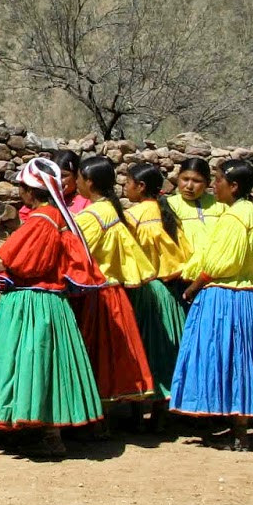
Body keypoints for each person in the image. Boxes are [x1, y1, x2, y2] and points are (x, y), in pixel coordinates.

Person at [0, 158, 105, 458]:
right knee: (48, 365)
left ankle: (41, 431)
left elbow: (15, 260)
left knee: (26, 363)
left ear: (29, 192)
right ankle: (46, 431)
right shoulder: (59, 218)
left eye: (21, 188)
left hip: (31, 303)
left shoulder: (40, 222)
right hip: (52, 303)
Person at [170, 159, 253, 450]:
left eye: (218, 179)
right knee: (242, 361)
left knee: (221, 358)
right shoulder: (249, 214)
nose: (215, 185)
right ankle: (236, 427)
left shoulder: (235, 217)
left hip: (223, 299)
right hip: (246, 299)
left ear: (234, 185)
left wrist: (193, 286)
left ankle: (234, 429)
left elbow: (221, 262)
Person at [70, 157, 157, 413]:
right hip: (113, 291)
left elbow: (76, 252)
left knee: (97, 355)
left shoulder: (92, 216)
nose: (75, 183)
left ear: (89, 182)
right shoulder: (111, 211)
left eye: (78, 178)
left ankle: (96, 420)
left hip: (97, 295)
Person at [122, 163, 189, 428]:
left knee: (142, 350)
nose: (124, 187)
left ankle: (137, 416)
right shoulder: (168, 214)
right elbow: (184, 254)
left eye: (127, 182)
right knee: (165, 352)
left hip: (145, 290)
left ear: (140, 187)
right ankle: (162, 415)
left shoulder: (134, 216)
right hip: (170, 292)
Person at [165, 157, 224, 300]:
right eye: (185, 179)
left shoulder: (219, 204)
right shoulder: (169, 205)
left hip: (215, 274)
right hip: (182, 277)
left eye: (197, 181)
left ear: (208, 183)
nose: (189, 186)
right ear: (177, 178)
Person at [19, 149, 89, 224]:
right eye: (54, 176)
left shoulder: (87, 203)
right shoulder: (38, 201)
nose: (57, 181)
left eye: (63, 176)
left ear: (76, 176)